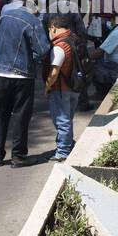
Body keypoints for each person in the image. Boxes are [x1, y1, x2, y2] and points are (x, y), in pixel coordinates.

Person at [0, 0, 49, 168]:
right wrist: (33, 59)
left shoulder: (4, 17)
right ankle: (18, 155)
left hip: (0, 71)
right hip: (22, 75)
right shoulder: (32, 20)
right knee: (21, 115)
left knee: (1, 114)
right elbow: (42, 49)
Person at [44, 14, 82, 162]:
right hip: (76, 86)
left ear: (53, 28)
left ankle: (63, 151)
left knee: (61, 120)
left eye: (49, 30)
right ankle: (67, 144)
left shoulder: (59, 46)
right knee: (68, 118)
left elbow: (54, 72)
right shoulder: (74, 38)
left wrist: (47, 86)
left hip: (61, 89)